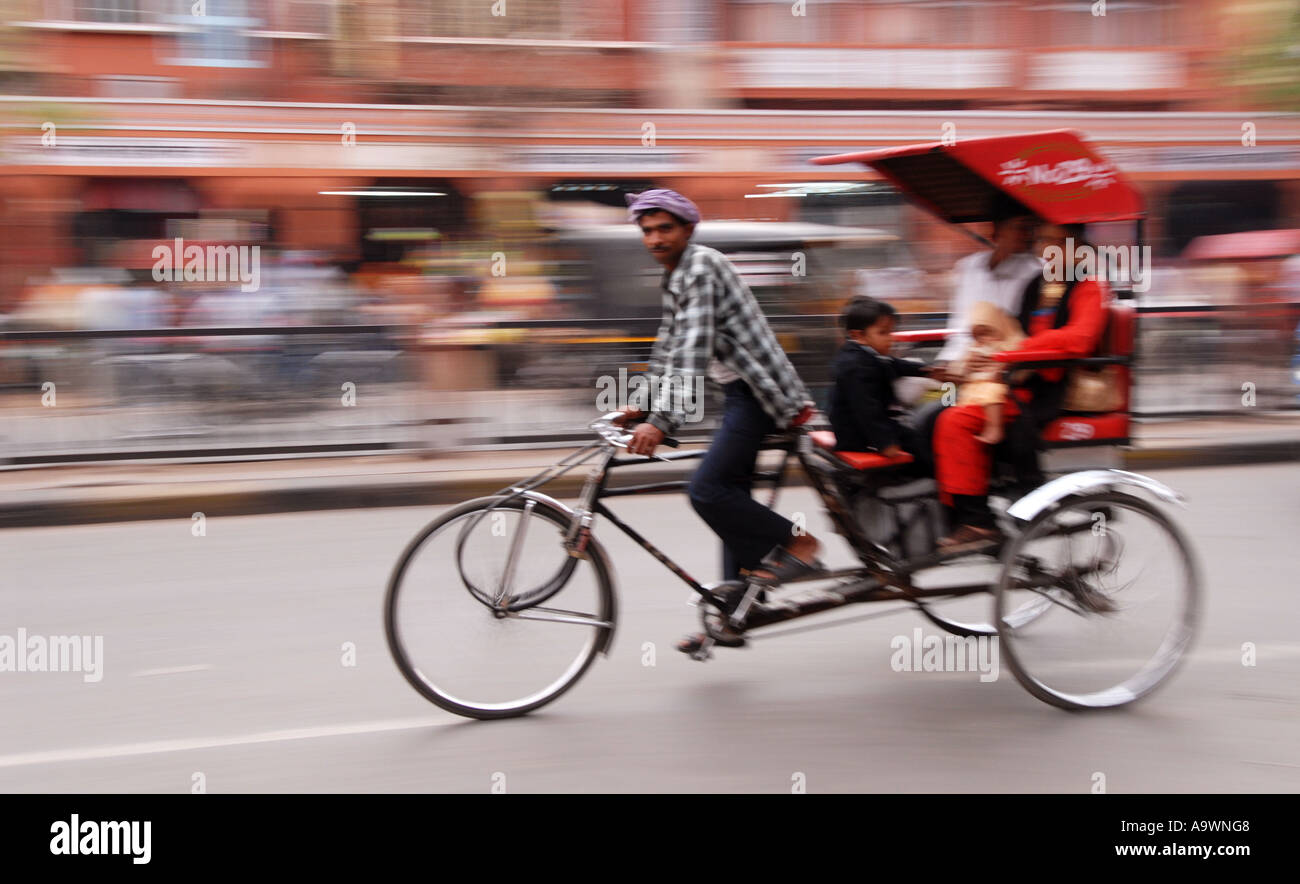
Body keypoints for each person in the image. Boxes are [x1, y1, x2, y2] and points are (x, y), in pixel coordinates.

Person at [610, 189, 819, 654]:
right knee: (731, 500)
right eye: (647, 231)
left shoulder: (701, 266)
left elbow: (692, 351)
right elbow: (668, 348)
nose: (655, 238)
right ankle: (734, 613)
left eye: (665, 228)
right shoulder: (677, 275)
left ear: (688, 229)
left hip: (760, 393)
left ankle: (800, 545)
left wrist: (661, 422)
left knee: (707, 490)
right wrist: (640, 405)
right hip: (739, 392)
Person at [932, 222, 1110, 551]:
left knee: (954, 422)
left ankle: (978, 521)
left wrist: (1013, 353)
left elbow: (1080, 339)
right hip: (1014, 380)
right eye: (1043, 239)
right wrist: (984, 351)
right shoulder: (1036, 284)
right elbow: (1013, 330)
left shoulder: (1090, 285)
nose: (1046, 248)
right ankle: (952, 511)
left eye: (1055, 241)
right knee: (932, 418)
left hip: (1047, 388)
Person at [828, 296, 930, 466]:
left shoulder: (867, 355)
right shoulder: (856, 365)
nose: (890, 338)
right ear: (858, 335)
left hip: (862, 428)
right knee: (921, 444)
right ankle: (922, 484)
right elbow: (866, 408)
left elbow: (895, 365)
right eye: (883, 333)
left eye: (891, 331)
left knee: (914, 433)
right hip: (858, 435)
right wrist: (885, 442)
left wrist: (927, 370)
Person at [951, 300, 1026, 446]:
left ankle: (994, 428)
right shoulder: (973, 347)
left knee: (992, 394)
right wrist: (966, 365)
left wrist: (1003, 365)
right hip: (973, 386)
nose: (982, 339)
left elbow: (1020, 361)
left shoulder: (1007, 343)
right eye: (977, 336)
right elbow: (957, 367)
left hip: (994, 384)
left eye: (987, 333)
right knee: (957, 402)